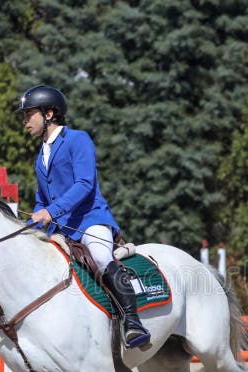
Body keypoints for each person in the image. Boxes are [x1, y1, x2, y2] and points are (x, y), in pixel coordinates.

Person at [15, 85, 150, 349]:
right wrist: (29, 225)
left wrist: (51, 212)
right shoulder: (40, 157)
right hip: (61, 228)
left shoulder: (78, 139)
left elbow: (85, 183)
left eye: (29, 114)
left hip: (89, 219)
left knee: (99, 256)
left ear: (49, 114)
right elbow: (42, 200)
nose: (24, 120)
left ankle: (133, 323)